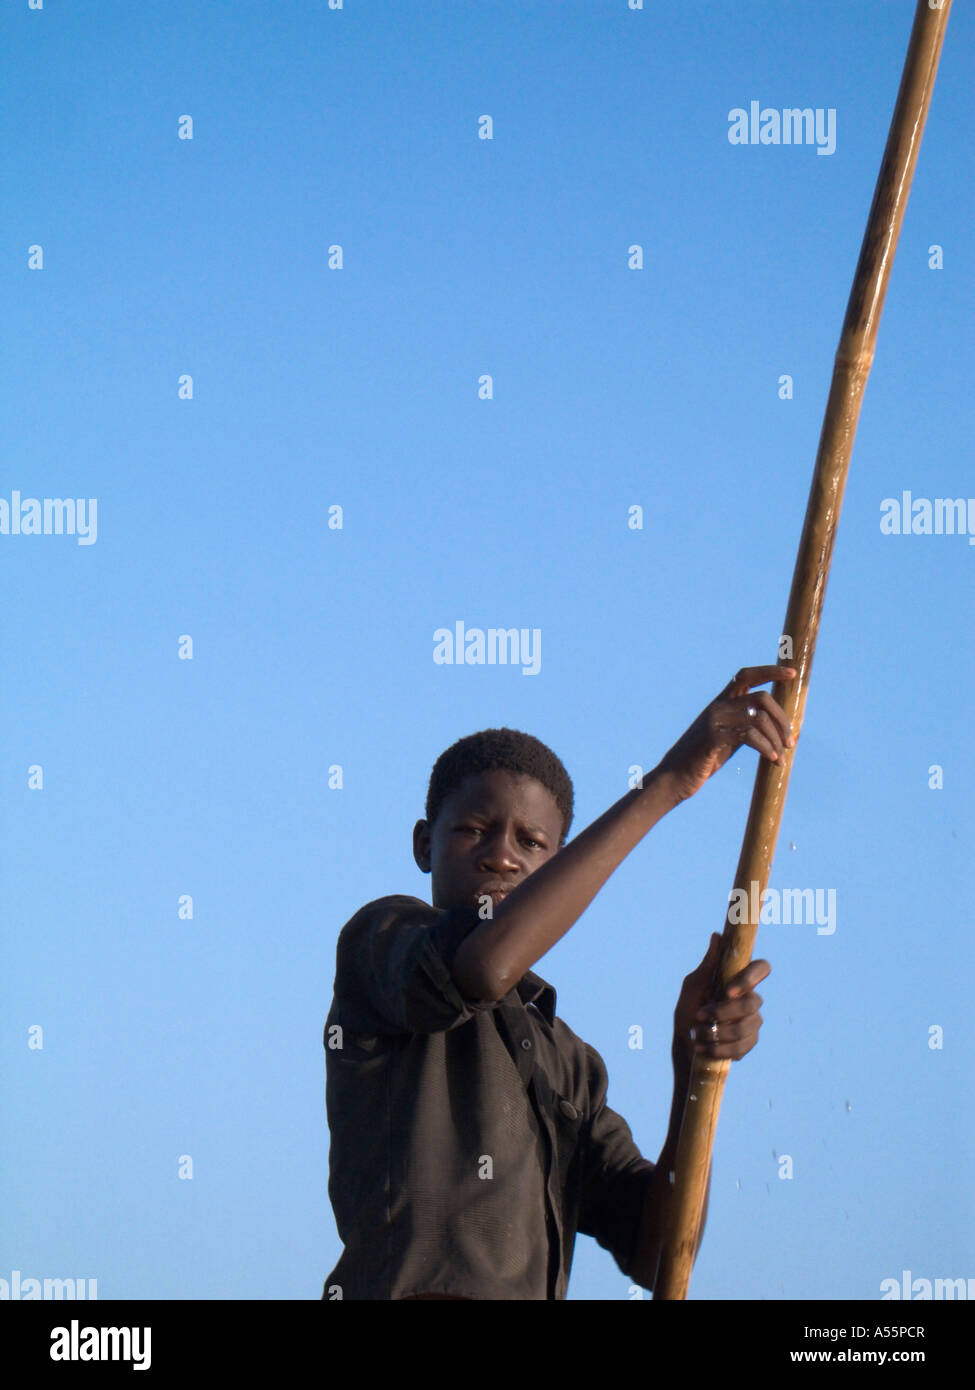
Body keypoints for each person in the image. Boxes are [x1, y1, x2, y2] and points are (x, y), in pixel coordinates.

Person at [321, 665, 797, 1300]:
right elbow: (486, 967)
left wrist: (692, 1065)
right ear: (423, 845)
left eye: (532, 842)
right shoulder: (382, 939)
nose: (502, 855)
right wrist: (665, 786)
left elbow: (658, 1258)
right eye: (473, 829)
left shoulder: (569, 1065)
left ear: (558, 865)